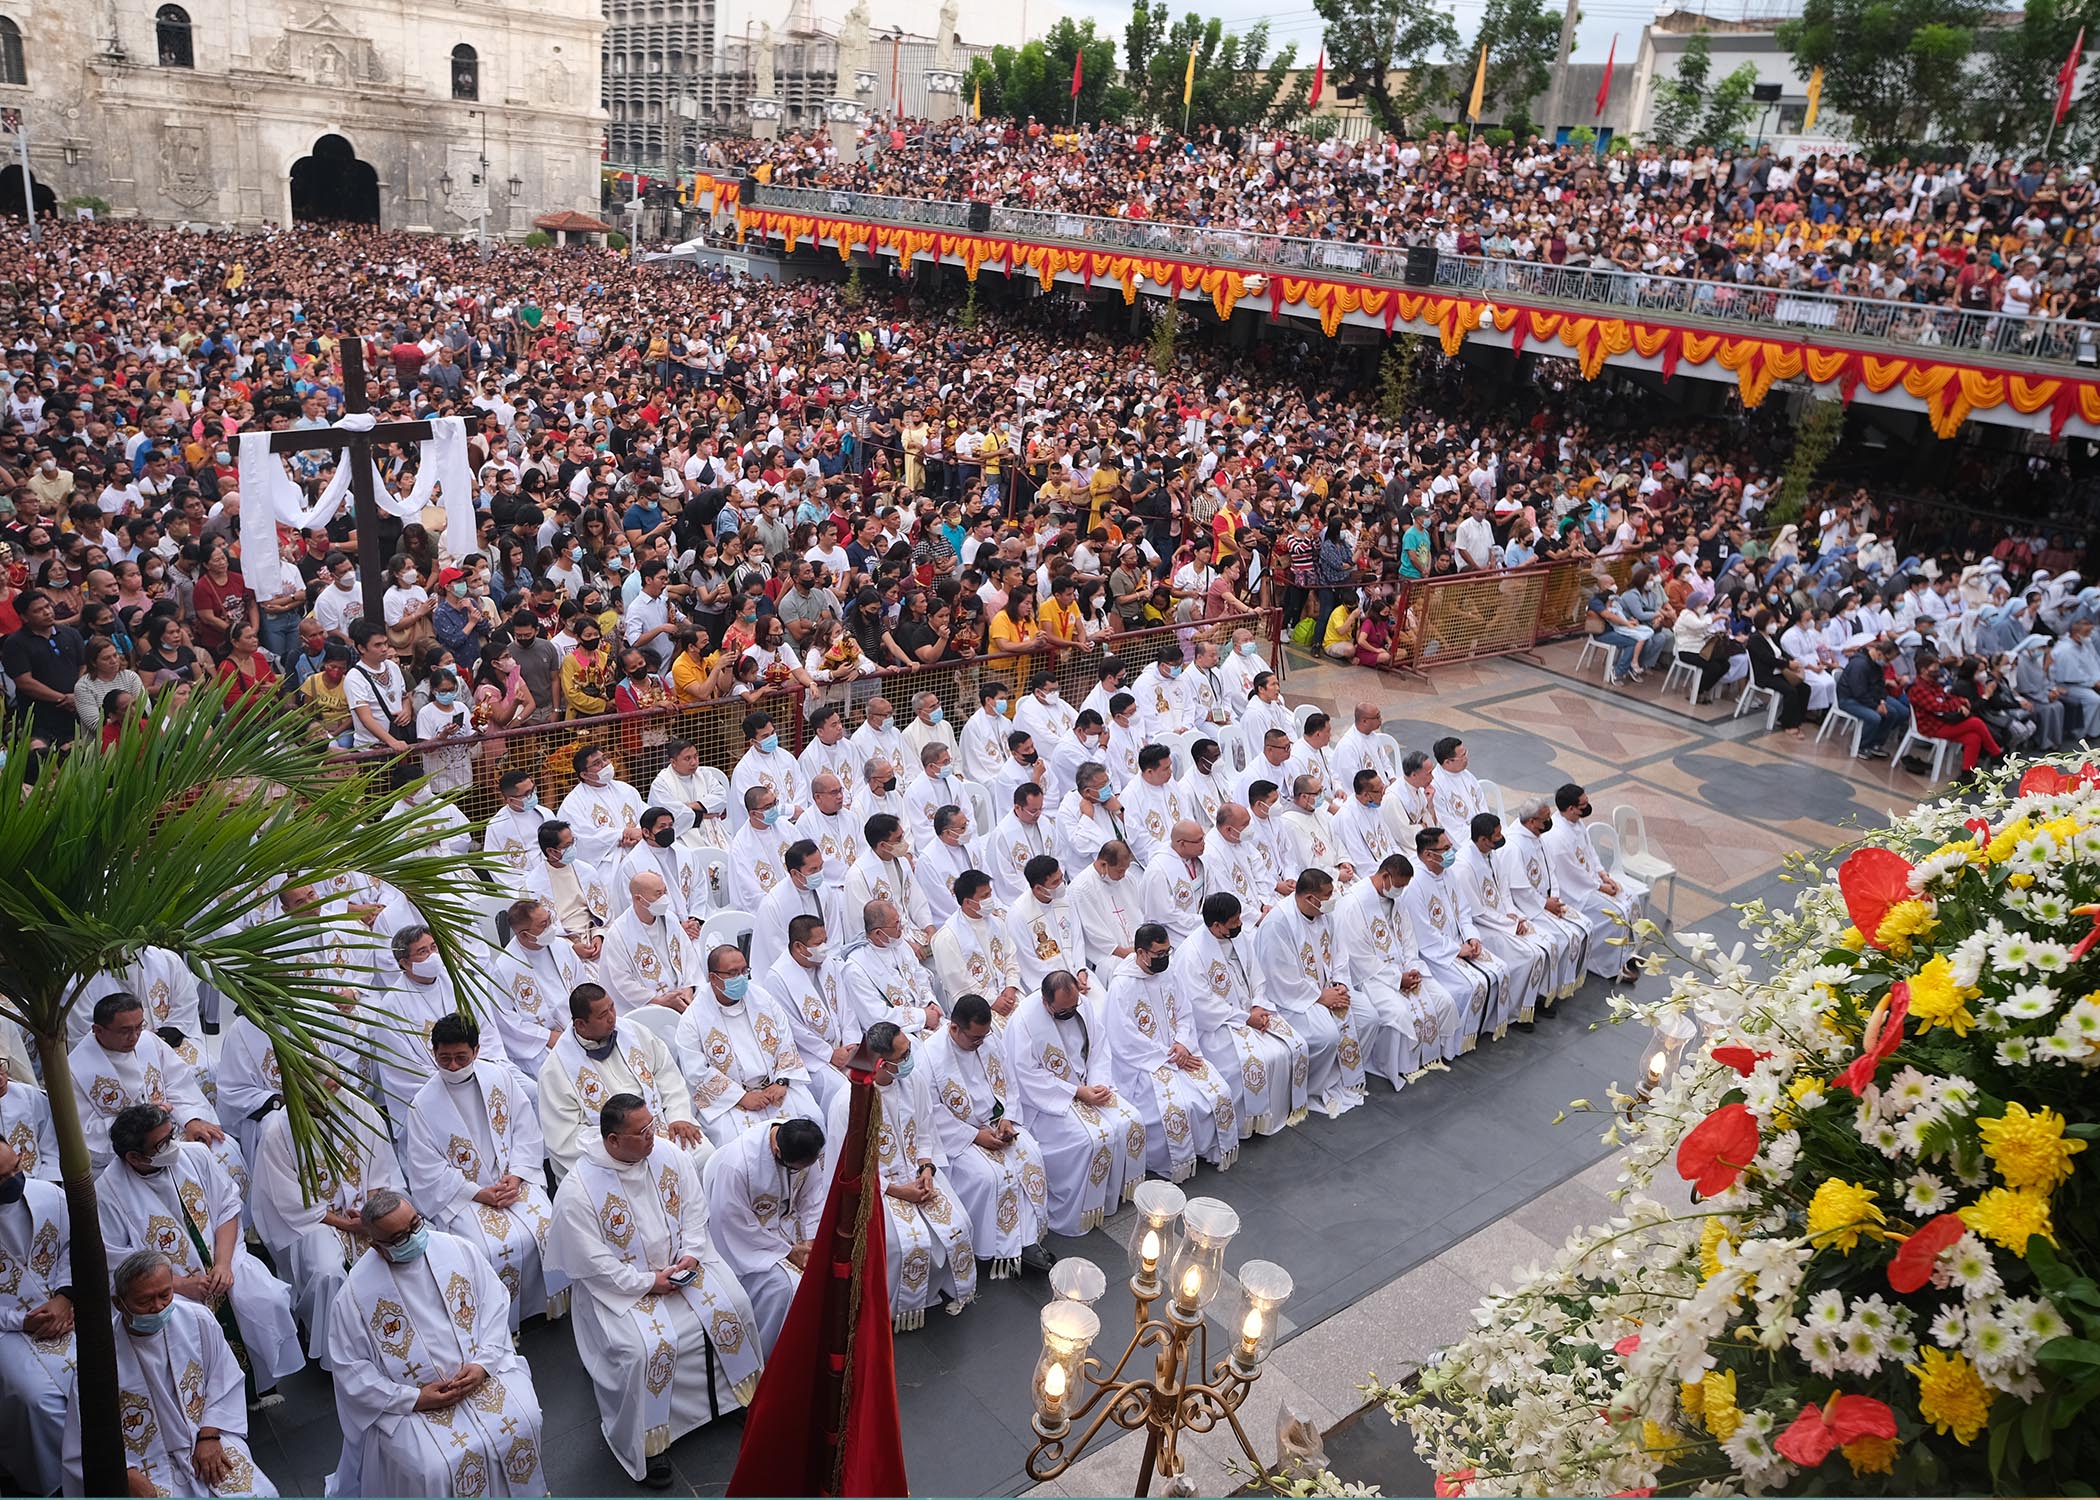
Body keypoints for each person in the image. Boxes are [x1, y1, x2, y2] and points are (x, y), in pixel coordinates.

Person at [548, 1093, 765, 1487]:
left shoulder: (666, 1153)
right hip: (625, 1288)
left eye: (651, 1126)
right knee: (646, 1348)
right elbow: (593, 1265)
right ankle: (650, 1443)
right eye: (641, 1131)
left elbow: (696, 1211)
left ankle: (737, 1396)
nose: (653, 1135)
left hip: (682, 1266)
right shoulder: (579, 1190)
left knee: (734, 1306)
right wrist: (649, 1282)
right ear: (613, 1140)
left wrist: (693, 1254)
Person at [325, 1188, 550, 1498]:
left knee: (525, 1421)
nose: (414, 1238)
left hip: (479, 1373)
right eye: (400, 1238)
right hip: (413, 1404)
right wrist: (414, 1398)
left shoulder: (457, 1250)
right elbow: (352, 1373)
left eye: (416, 1225)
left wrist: (483, 1364)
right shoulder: (353, 1298)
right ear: (377, 1247)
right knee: (435, 1466)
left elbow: (494, 1305)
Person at [95, 1104, 306, 1395]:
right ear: (134, 1157)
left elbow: (227, 1207)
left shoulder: (193, 1155)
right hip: (168, 1289)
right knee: (190, 1330)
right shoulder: (108, 1193)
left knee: (263, 1299)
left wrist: (223, 1265)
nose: (173, 1145)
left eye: (172, 1134)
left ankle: (261, 1383)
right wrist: (179, 1285)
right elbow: (118, 1261)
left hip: (225, 1258)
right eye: (162, 1144)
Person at [400, 1015, 566, 1331]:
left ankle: (550, 1305)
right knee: (488, 1249)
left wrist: (516, 1176)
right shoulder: (422, 1104)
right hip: (464, 1196)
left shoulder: (499, 1079)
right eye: (444, 1058)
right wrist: (478, 1192)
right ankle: (502, 1324)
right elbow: (426, 1169)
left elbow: (525, 1130)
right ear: (433, 1052)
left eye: (460, 1057)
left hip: (512, 1180)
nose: (452, 1066)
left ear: (476, 1050)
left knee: (546, 1227)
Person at [66, 1250, 278, 1498]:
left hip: (205, 1436)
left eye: (165, 1295)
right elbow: (88, 1438)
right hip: (144, 1465)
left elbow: (225, 1378)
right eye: (145, 1301)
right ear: (118, 1303)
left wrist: (209, 1435)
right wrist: (125, 1474)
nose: (158, 1308)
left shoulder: (197, 1319)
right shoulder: (99, 1360)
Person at [247, 1073, 404, 1374]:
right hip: (314, 1220)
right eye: (320, 1097)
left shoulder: (360, 1108)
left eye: (334, 1089)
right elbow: (289, 1201)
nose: (332, 1100)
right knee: (327, 1270)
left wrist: (370, 1213)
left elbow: (379, 1166)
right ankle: (337, 1352)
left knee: (400, 1241)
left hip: (362, 1207)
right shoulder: (279, 1130)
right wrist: (347, 1226)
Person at [824, 1022, 977, 1331]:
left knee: (960, 1224)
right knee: (901, 1244)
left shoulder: (913, 1080)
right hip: (878, 1187)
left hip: (915, 1172)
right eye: (904, 1054)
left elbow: (925, 1131)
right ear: (881, 1063)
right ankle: (896, 1308)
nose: (911, 1058)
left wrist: (926, 1169)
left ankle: (943, 1288)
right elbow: (849, 1169)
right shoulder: (849, 1102)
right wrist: (898, 1191)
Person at [916, 994, 1055, 1278]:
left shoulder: (989, 1039)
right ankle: (991, 1248)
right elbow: (932, 1113)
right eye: (975, 1038)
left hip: (997, 1123)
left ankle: (1028, 1239)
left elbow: (1008, 1080)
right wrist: (975, 1136)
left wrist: (1007, 1117)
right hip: (961, 1136)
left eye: (984, 1036)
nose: (981, 1043)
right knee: (989, 1177)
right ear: (954, 1028)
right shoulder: (928, 1056)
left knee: (1031, 1157)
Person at [1003, 971, 1148, 1235]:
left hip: (1088, 1084)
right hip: (1049, 1101)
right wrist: (1076, 1092)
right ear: (1047, 1003)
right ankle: (1079, 1209)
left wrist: (1097, 1083)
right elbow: (1026, 1075)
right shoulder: (1023, 1021)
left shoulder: (1080, 1004)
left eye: (1073, 1007)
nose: (1070, 1013)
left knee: (1131, 1120)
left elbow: (1098, 1046)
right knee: (1094, 1138)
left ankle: (1111, 1197)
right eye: (1063, 1010)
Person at [68, 989, 242, 1189]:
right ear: (98, 1030)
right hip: (131, 1155)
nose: (134, 1037)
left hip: (173, 1131)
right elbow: (84, 1133)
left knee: (225, 1151)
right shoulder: (74, 1070)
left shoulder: (148, 1041)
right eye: (125, 1031)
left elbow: (177, 1081)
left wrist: (191, 1120)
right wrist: (145, 1124)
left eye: (139, 1027)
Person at [1104, 925, 1239, 1182]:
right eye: (1159, 953)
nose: (1165, 958)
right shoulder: (1122, 985)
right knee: (1179, 1106)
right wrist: (1168, 1056)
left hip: (1180, 1052)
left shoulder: (1169, 972)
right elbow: (1123, 1038)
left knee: (1218, 1091)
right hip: (1147, 1065)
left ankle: (1209, 1149)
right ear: (1141, 953)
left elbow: (1185, 1010)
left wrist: (1183, 1043)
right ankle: (1176, 1161)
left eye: (1168, 951)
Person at [1174, 893, 1310, 1137]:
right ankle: (1251, 1122)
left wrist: (1258, 1005)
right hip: (1219, 1026)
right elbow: (1201, 1004)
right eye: (1234, 921)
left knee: (1294, 1046)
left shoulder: (1240, 938)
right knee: (1258, 1061)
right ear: (1216, 925)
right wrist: (1245, 1018)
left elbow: (1256, 974)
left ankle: (1283, 1110)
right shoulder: (1191, 953)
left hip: (1251, 1011)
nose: (1240, 924)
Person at [539, 982, 707, 1177]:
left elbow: (665, 1072)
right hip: (614, 1153)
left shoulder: (633, 1032)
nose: (612, 1018)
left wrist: (678, 1116)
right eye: (603, 1015)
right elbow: (564, 1136)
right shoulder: (555, 1070)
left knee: (703, 1156)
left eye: (612, 1007)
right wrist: (624, 1146)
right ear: (581, 1024)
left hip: (663, 1125)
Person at [675, 942, 821, 1146]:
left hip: (775, 1086)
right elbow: (696, 1071)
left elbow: (785, 1040)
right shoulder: (693, 1018)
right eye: (733, 973)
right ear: (714, 978)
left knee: (813, 1117)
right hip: (731, 1101)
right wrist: (741, 1097)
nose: (741, 978)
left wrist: (781, 1081)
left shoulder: (762, 998)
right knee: (739, 1143)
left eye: (744, 970)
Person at [1333, 854, 1464, 1080]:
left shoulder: (1396, 897)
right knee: (1399, 1012)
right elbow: (1359, 957)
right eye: (1399, 886)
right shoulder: (1352, 904)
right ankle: (1400, 1065)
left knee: (1443, 1000)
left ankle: (1433, 1055)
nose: (1401, 891)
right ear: (1385, 876)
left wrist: (1412, 967)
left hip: (1405, 968)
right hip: (1373, 977)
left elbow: (1409, 938)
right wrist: (1396, 978)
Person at [704, 1116, 827, 1354]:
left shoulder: (803, 1147)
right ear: (777, 1150)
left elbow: (812, 1197)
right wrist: (788, 1251)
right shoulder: (738, 1165)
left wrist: (811, 1242)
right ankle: (770, 1354)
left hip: (788, 1228)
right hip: (749, 1243)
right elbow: (733, 1224)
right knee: (783, 1288)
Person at [1254, 869, 1371, 1118]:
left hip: (1329, 988)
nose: (1333, 898)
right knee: (1326, 1036)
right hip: (1294, 999)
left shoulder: (1324, 913)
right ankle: (1314, 1089)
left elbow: (1339, 951)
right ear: (1309, 898)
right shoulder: (1278, 923)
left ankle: (1343, 1077)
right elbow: (1278, 976)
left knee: (1370, 1018)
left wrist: (1340, 984)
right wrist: (1320, 997)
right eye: (1327, 894)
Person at [0, 1139, 70, 1495]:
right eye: (3, 1178)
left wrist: (65, 1296)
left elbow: (75, 1247)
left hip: (65, 1310)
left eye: (17, 1168)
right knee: (35, 1399)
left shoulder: (48, 1195)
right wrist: (19, 1321)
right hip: (6, 1330)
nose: (14, 1181)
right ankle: (59, 1483)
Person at [1456, 815, 1556, 1027]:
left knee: (1545, 944)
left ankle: (1531, 1000)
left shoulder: (1491, 853)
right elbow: (1477, 912)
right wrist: (1509, 924)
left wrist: (1513, 914)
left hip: (1504, 919)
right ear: (1483, 839)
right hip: (1486, 927)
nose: (1501, 839)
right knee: (1528, 955)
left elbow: (1503, 888)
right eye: (1496, 836)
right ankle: (1514, 1011)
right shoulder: (1464, 866)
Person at [1541, 783, 1648, 981]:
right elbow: (1572, 874)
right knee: (1615, 913)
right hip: (1576, 893)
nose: (1587, 807)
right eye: (1583, 804)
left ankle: (1627, 953)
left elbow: (1590, 851)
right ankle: (1610, 965)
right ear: (1571, 808)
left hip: (1592, 881)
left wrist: (1604, 874)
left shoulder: (1576, 822)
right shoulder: (1556, 836)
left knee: (1631, 898)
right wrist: (1601, 887)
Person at [599, 870, 705, 1014]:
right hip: (648, 1006)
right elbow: (622, 980)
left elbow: (688, 956)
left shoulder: (670, 918)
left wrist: (688, 989)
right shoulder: (618, 934)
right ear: (639, 899)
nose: (665, 898)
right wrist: (660, 1001)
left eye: (664, 892)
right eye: (658, 894)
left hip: (685, 996)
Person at [557, 743, 646, 866]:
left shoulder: (626, 789)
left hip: (638, 849)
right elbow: (583, 839)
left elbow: (645, 815)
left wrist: (637, 833)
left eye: (605, 758)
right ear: (584, 774)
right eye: (597, 763)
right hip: (606, 863)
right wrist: (622, 835)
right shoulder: (573, 803)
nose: (605, 764)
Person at [1069, 839, 1142, 972]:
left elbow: (1138, 912)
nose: (1123, 876)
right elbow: (1093, 932)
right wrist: (1126, 953)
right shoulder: (1081, 888)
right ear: (1103, 864)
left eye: (1125, 870)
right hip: (1108, 956)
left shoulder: (1128, 879)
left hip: (1138, 949)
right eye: (1120, 871)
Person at [1833, 638, 1910, 760]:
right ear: (1880, 653)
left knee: (1893, 713)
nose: (1888, 663)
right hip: (1849, 699)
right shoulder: (1860, 664)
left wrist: (1882, 701)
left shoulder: (1876, 665)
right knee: (1874, 717)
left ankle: (1875, 743)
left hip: (1867, 696)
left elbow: (1879, 685)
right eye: (1888, 659)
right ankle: (1860, 745)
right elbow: (1858, 691)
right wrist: (1875, 706)